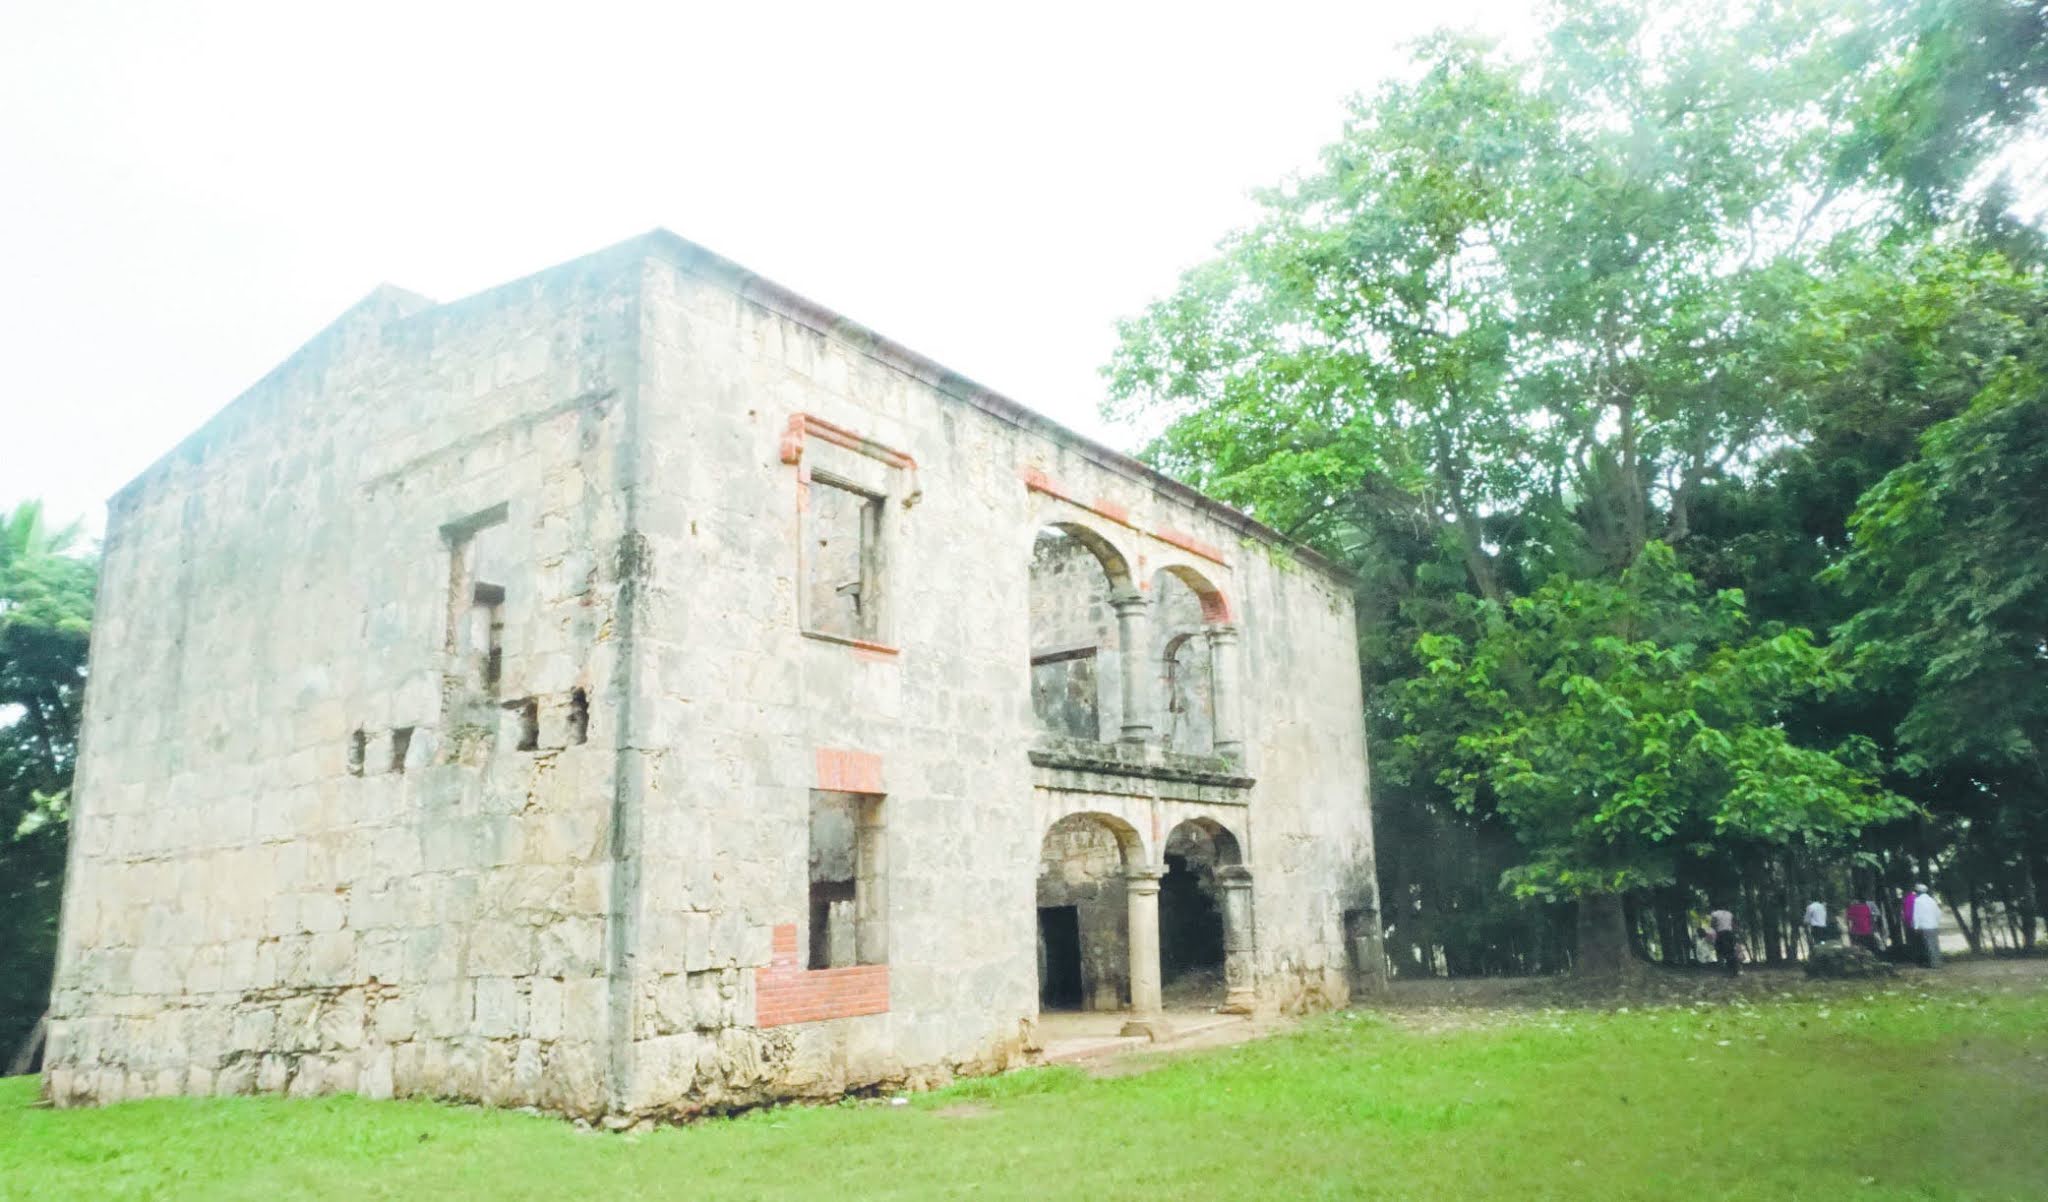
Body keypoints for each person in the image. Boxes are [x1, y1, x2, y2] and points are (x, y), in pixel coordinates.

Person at [1911, 884, 1942, 968]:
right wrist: (1937, 922)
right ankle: (1937, 962)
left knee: (1928, 945)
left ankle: (1932, 963)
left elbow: (1916, 914)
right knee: (1935, 944)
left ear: (1918, 892)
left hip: (1924, 926)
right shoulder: (1932, 900)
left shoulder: (1918, 901)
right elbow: (1938, 913)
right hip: (1933, 925)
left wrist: (1916, 926)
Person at [1708, 905, 1739, 977]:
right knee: (1731, 951)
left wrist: (1715, 929)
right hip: (1729, 933)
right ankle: (1735, 970)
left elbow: (1713, 924)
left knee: (1722, 951)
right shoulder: (1729, 913)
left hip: (1722, 934)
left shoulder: (1715, 913)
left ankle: (1728, 971)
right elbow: (1733, 925)